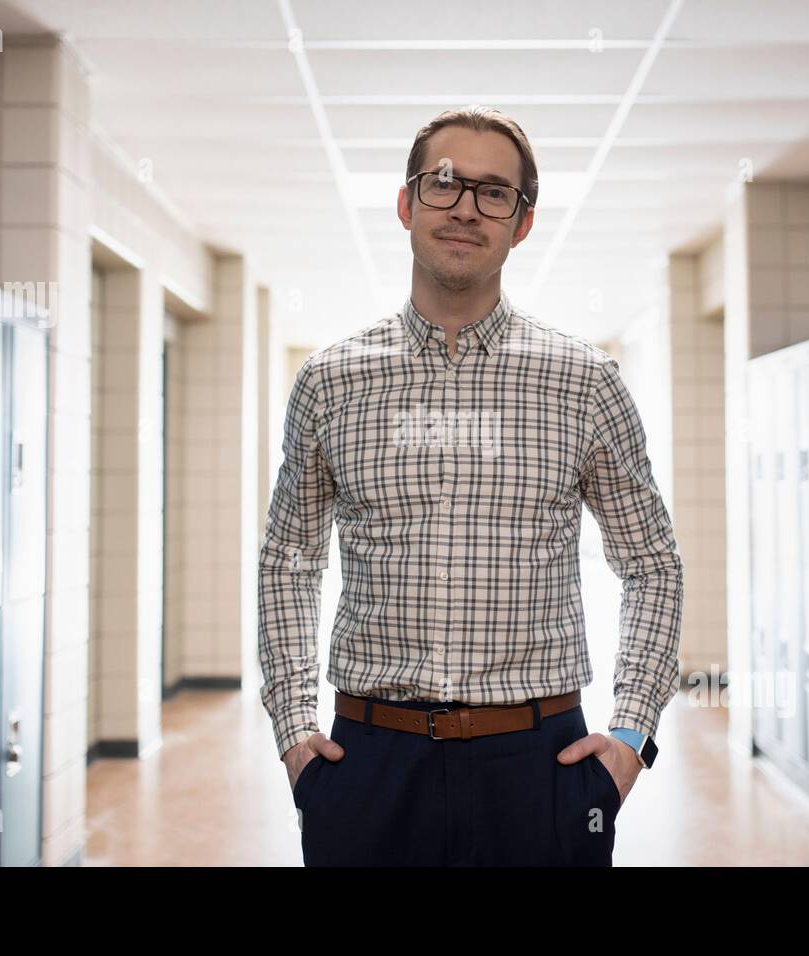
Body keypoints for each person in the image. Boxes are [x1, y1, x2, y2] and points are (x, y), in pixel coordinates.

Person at [257, 105, 683, 866]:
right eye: (444, 183)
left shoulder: (583, 384)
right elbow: (289, 561)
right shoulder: (330, 382)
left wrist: (629, 738)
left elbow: (652, 563)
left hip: (541, 769)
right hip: (366, 767)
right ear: (406, 202)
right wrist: (293, 732)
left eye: (495, 193)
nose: (464, 207)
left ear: (520, 224)